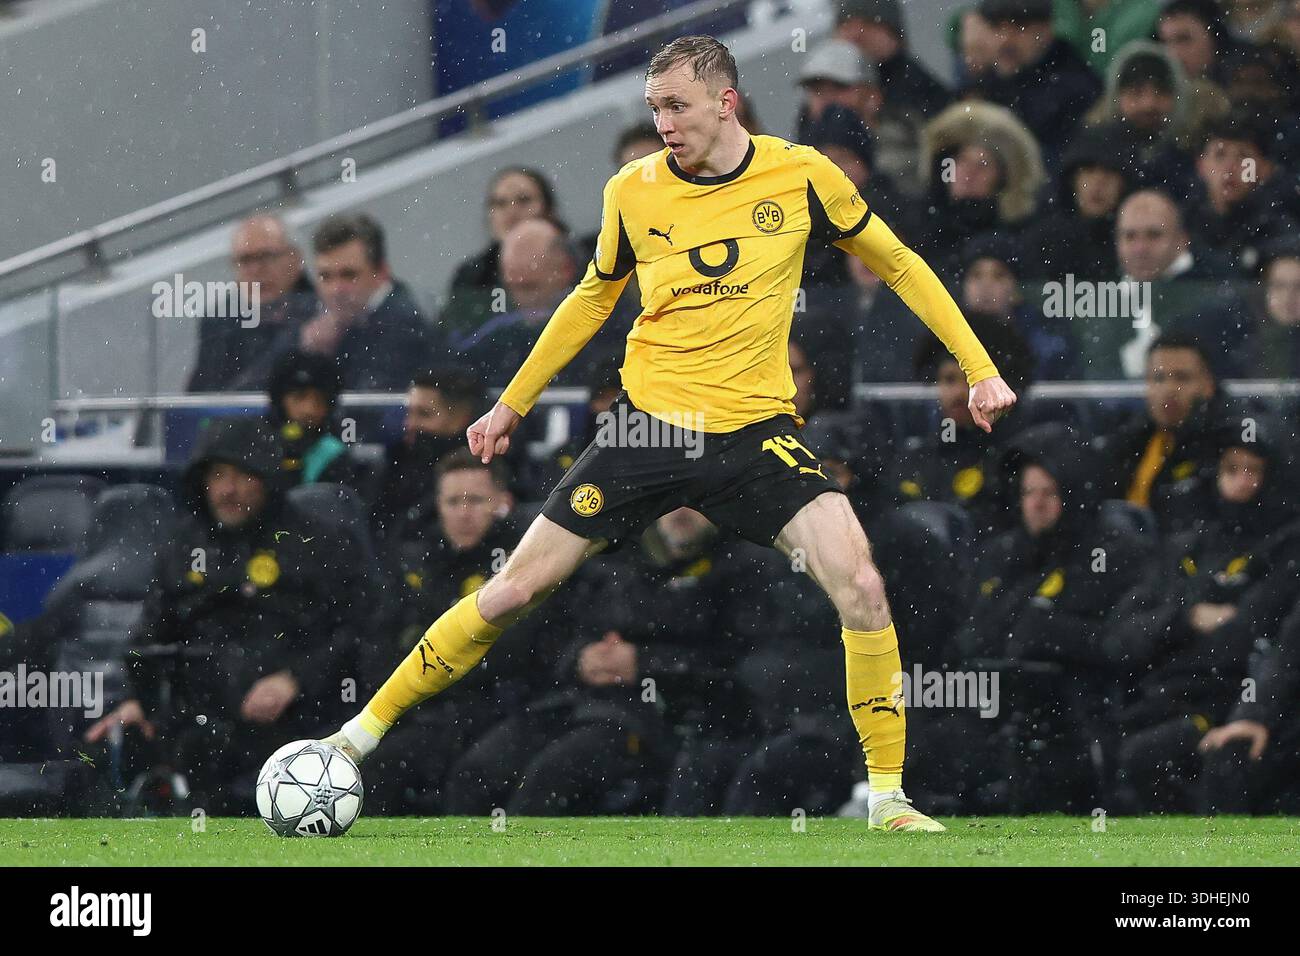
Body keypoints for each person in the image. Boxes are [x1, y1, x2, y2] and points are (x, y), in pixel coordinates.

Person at [320, 34, 1018, 833]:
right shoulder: (634, 190)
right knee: (512, 588)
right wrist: (511, 402)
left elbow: (898, 262)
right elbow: (590, 297)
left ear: (727, 103)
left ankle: (889, 798)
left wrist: (978, 365)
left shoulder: (801, 175)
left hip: (756, 433)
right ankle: (351, 740)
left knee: (859, 583)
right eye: (655, 108)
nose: (664, 123)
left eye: (677, 106)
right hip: (649, 428)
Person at [83, 418, 363, 812]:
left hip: (293, 719)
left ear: (265, 479)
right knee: (92, 755)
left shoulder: (315, 542)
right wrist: (136, 699)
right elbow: (149, 635)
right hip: (194, 716)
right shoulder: (186, 545)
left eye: (241, 476)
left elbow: (357, 631)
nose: (228, 490)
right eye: (218, 476)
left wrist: (295, 679)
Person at [293, 213, 438, 390]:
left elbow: (367, 407)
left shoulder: (404, 326)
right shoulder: (318, 319)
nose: (336, 290)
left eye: (349, 275)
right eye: (325, 276)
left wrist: (319, 359)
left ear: (381, 272)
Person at [187, 214, 319, 392]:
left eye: (267, 256)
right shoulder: (220, 321)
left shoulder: (323, 313)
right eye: (245, 260)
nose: (256, 269)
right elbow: (201, 397)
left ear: (295, 260)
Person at [369, 367, 487, 545]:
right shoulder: (395, 464)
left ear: (462, 417)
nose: (409, 424)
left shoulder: (489, 470)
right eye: (409, 413)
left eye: (424, 414)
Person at [265, 349, 364, 489]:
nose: (309, 410)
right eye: (299, 397)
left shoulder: (334, 455)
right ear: (279, 400)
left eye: (319, 400)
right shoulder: (256, 445)